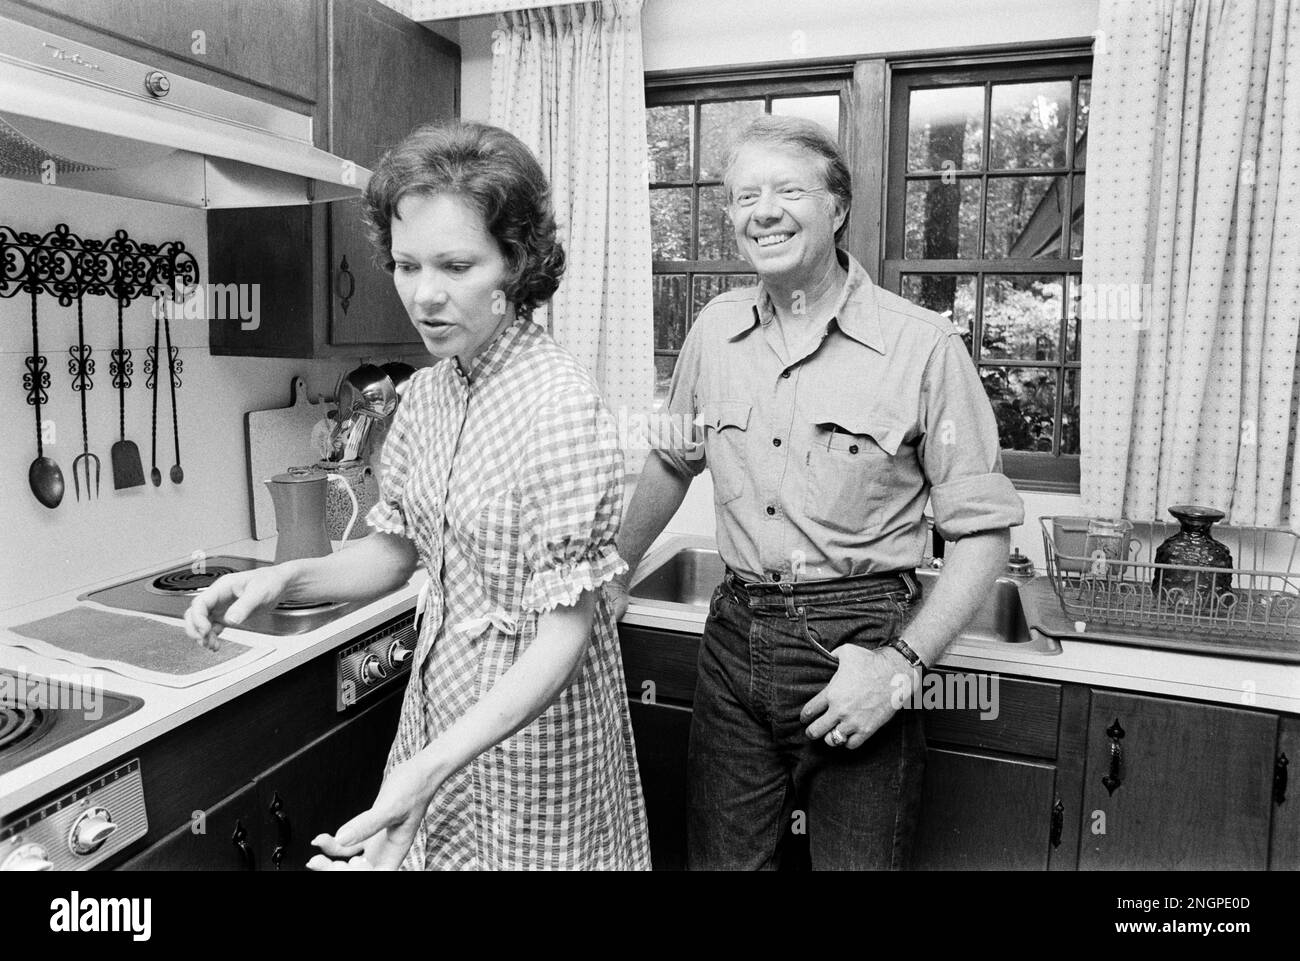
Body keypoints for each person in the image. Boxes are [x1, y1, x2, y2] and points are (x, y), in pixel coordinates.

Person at [185, 121, 650, 871]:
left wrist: (430, 766)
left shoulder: (559, 405)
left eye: (456, 265)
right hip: (438, 719)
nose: (424, 295)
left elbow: (564, 637)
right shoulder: (426, 395)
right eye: (406, 265)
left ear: (516, 263)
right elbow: (395, 552)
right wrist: (280, 580)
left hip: (535, 745)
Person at [608, 115, 1024, 870]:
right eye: (742, 196)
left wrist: (901, 666)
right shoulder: (714, 328)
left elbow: (983, 531)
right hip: (733, 639)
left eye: (787, 190)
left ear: (836, 208)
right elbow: (674, 462)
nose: (761, 211)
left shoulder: (922, 345)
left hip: (861, 644)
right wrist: (613, 569)